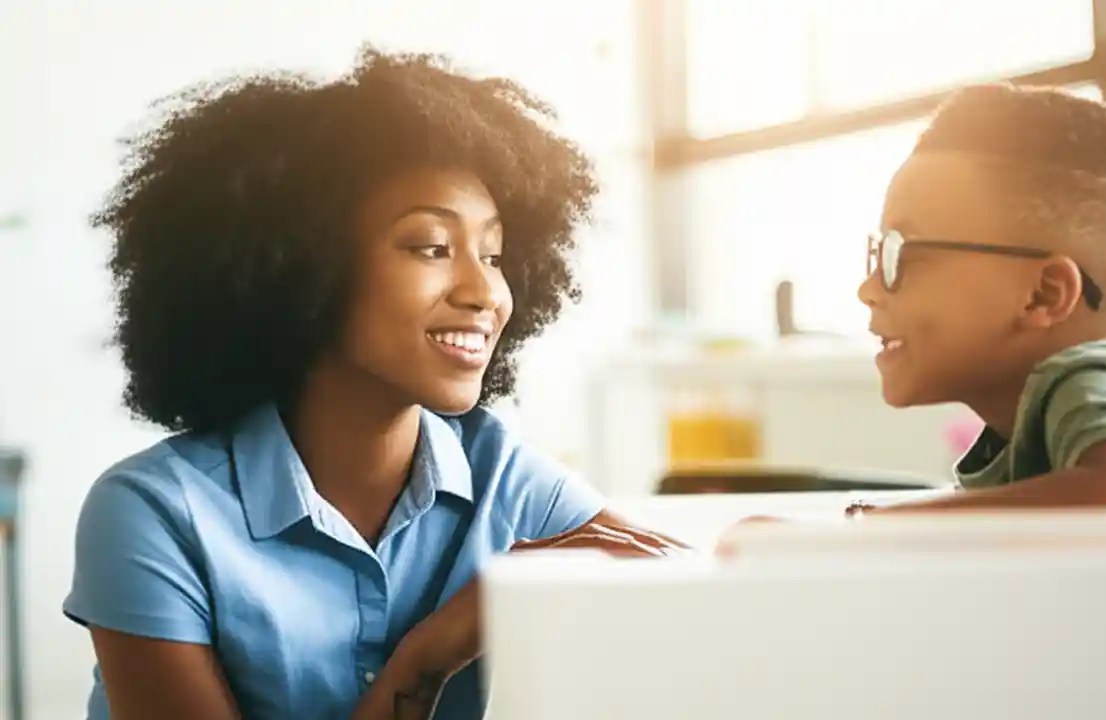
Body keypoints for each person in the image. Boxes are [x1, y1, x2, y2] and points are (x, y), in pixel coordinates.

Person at [63, 48, 683, 720]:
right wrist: (432, 653)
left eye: (494, 254)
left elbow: (696, 601)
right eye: (431, 247)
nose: (484, 292)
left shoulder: (506, 481)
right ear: (305, 266)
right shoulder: (153, 514)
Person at [854, 83, 1106, 514]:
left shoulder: (1092, 375)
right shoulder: (1024, 436)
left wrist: (882, 526)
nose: (867, 290)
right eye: (878, 252)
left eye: (901, 254)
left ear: (1042, 295)